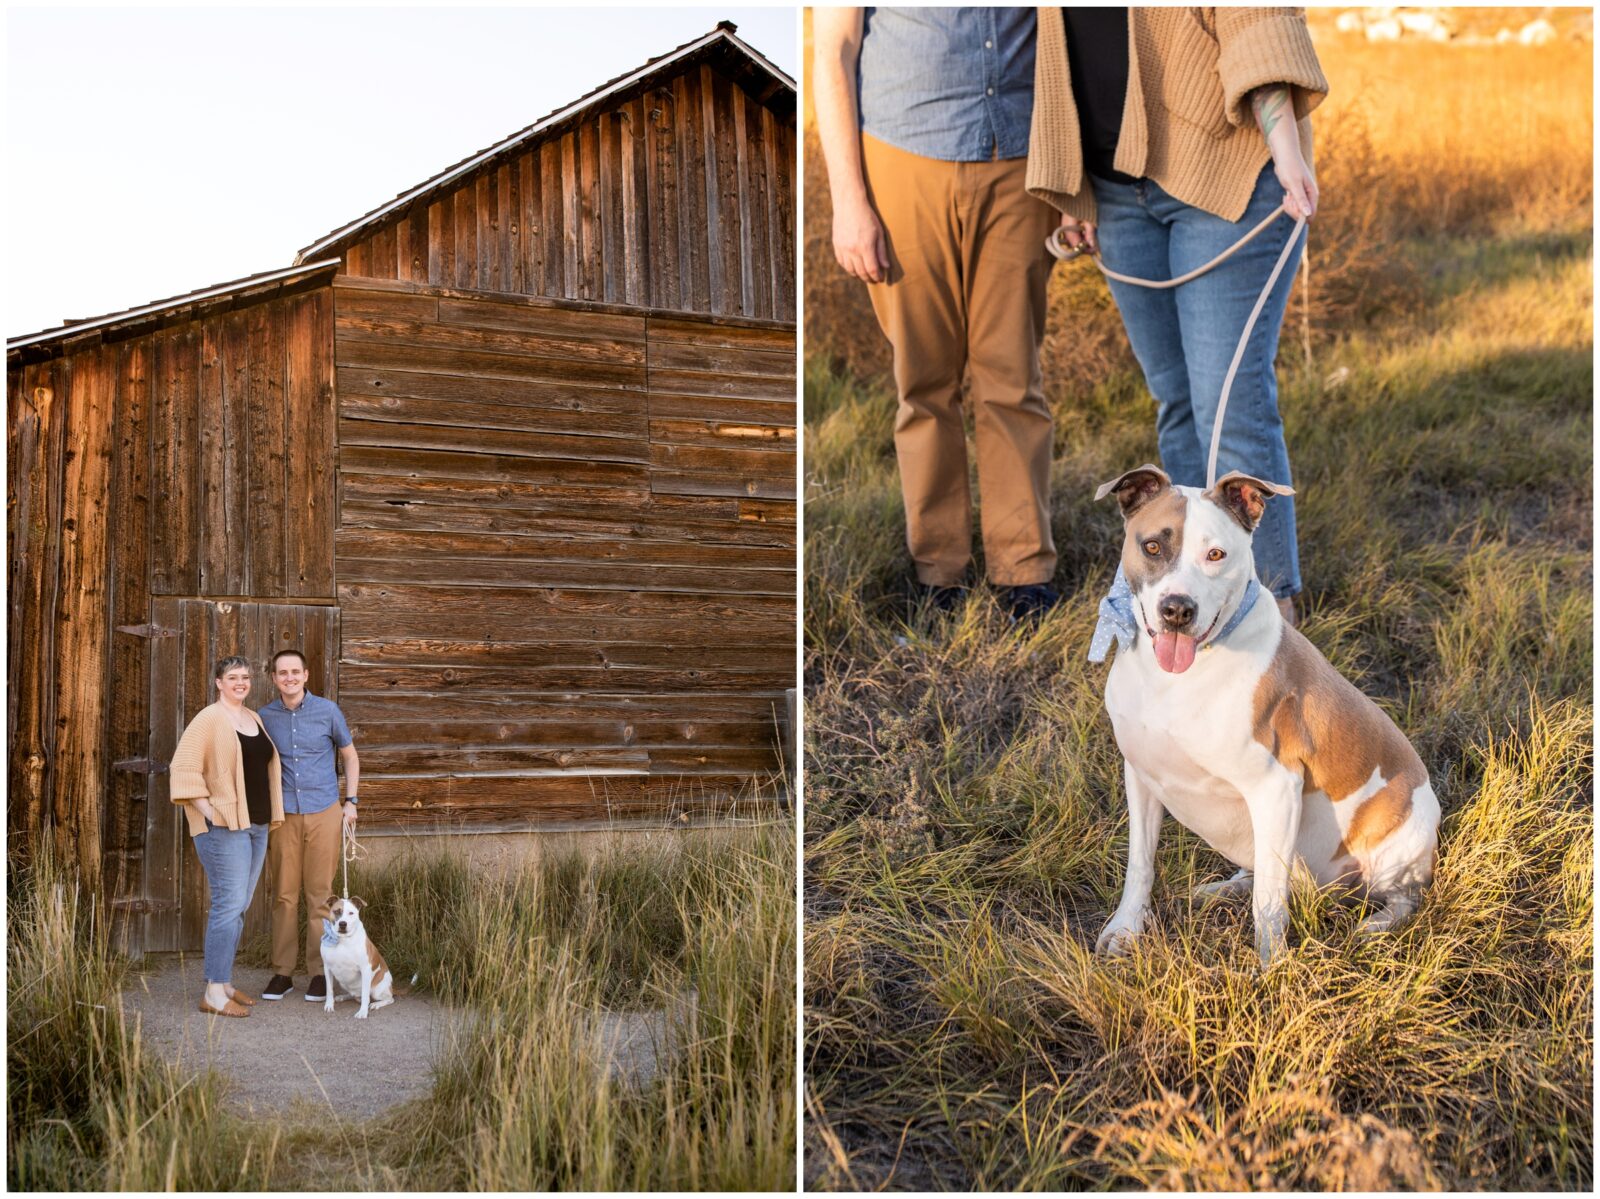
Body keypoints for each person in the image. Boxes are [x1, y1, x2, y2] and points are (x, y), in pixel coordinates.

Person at [1027, 7, 1328, 624]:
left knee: (1230, 404)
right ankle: (1191, 597)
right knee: (1178, 399)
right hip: (1115, 190)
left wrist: (1285, 147)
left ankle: (1272, 618)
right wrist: (1074, 190)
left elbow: (1257, 18)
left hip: (1222, 176)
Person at [814, 7, 1064, 621]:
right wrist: (849, 203)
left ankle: (1023, 570)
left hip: (1021, 160)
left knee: (1013, 379)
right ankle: (938, 572)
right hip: (903, 157)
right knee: (924, 382)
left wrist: (1074, 176)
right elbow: (834, 51)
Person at [169, 655, 282, 1017]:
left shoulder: (253, 718)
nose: (240, 682)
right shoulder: (208, 718)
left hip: (256, 824)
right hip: (224, 829)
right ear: (219, 682)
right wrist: (212, 814)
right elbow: (183, 769)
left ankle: (224, 982)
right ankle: (213, 993)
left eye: (245, 677)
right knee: (227, 906)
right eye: (232, 677)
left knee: (239, 907)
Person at [256, 649, 360, 1003]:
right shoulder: (263, 717)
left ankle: (319, 973)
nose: (289, 678)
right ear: (274, 678)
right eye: (282, 673)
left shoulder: (327, 711)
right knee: (284, 895)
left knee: (320, 895)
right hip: (283, 814)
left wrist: (351, 802)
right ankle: (282, 973)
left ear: (306, 674)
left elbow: (349, 755)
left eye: (295, 672)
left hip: (324, 811)